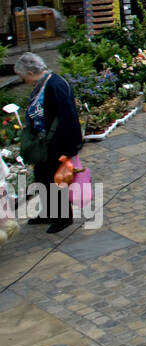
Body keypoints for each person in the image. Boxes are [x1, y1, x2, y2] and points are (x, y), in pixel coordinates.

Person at [16, 52, 83, 233]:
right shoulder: (43, 84)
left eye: (23, 77)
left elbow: (69, 116)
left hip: (57, 144)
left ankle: (63, 218)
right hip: (45, 144)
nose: (23, 81)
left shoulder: (55, 84)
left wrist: (71, 148)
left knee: (55, 180)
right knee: (42, 178)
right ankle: (48, 213)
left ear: (30, 73)